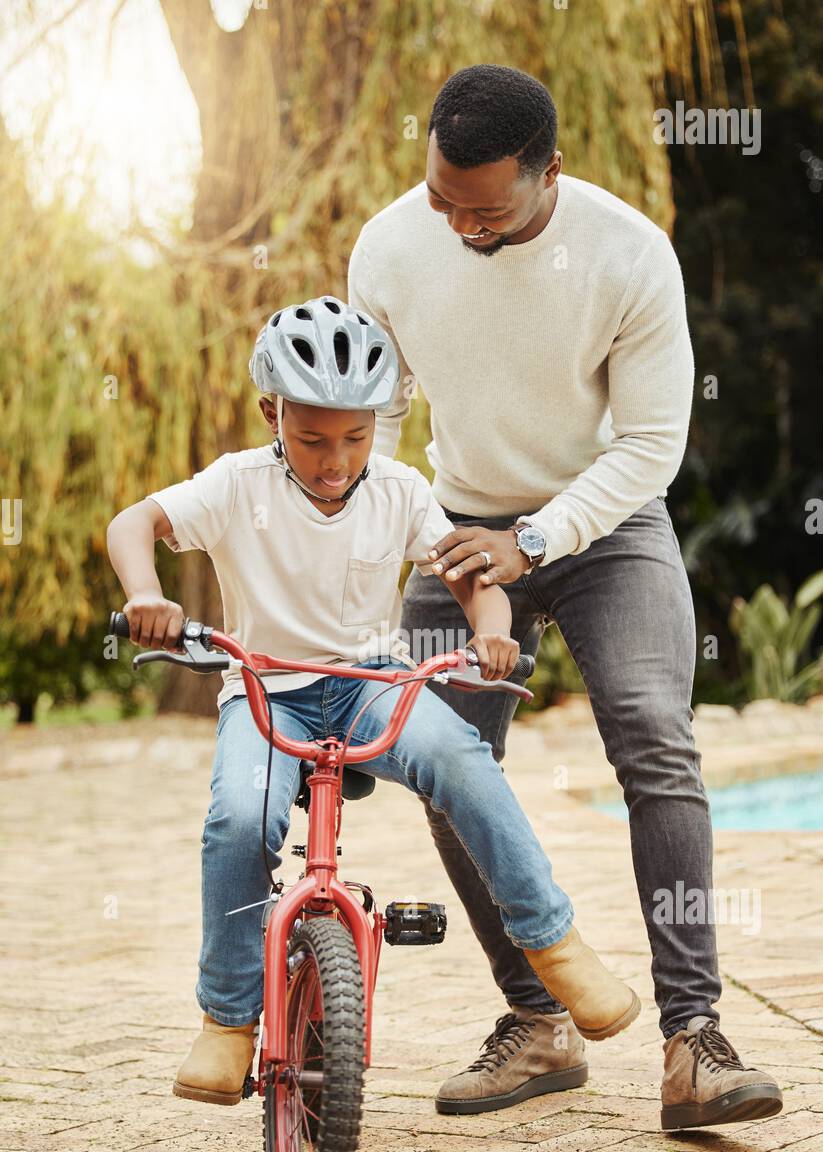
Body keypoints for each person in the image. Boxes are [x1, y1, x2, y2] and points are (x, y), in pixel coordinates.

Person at [347, 64, 783, 1131]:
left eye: (484, 209)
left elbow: (648, 446)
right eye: (443, 198)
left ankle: (694, 1042)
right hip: (454, 524)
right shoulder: (393, 245)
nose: (456, 226)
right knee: (437, 755)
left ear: (551, 173)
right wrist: (381, 544)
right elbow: (381, 415)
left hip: (604, 525)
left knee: (651, 732)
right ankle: (535, 1021)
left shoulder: (628, 254)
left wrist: (533, 538)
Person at [106, 296, 640, 1107]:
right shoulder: (234, 483)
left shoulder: (396, 487)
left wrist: (491, 630)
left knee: (463, 757)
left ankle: (555, 948)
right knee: (237, 819)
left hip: (369, 686)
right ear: (271, 413)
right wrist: (146, 593)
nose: (334, 459)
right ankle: (225, 1019)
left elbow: (467, 573)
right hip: (265, 692)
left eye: (354, 437)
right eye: (311, 437)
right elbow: (132, 522)